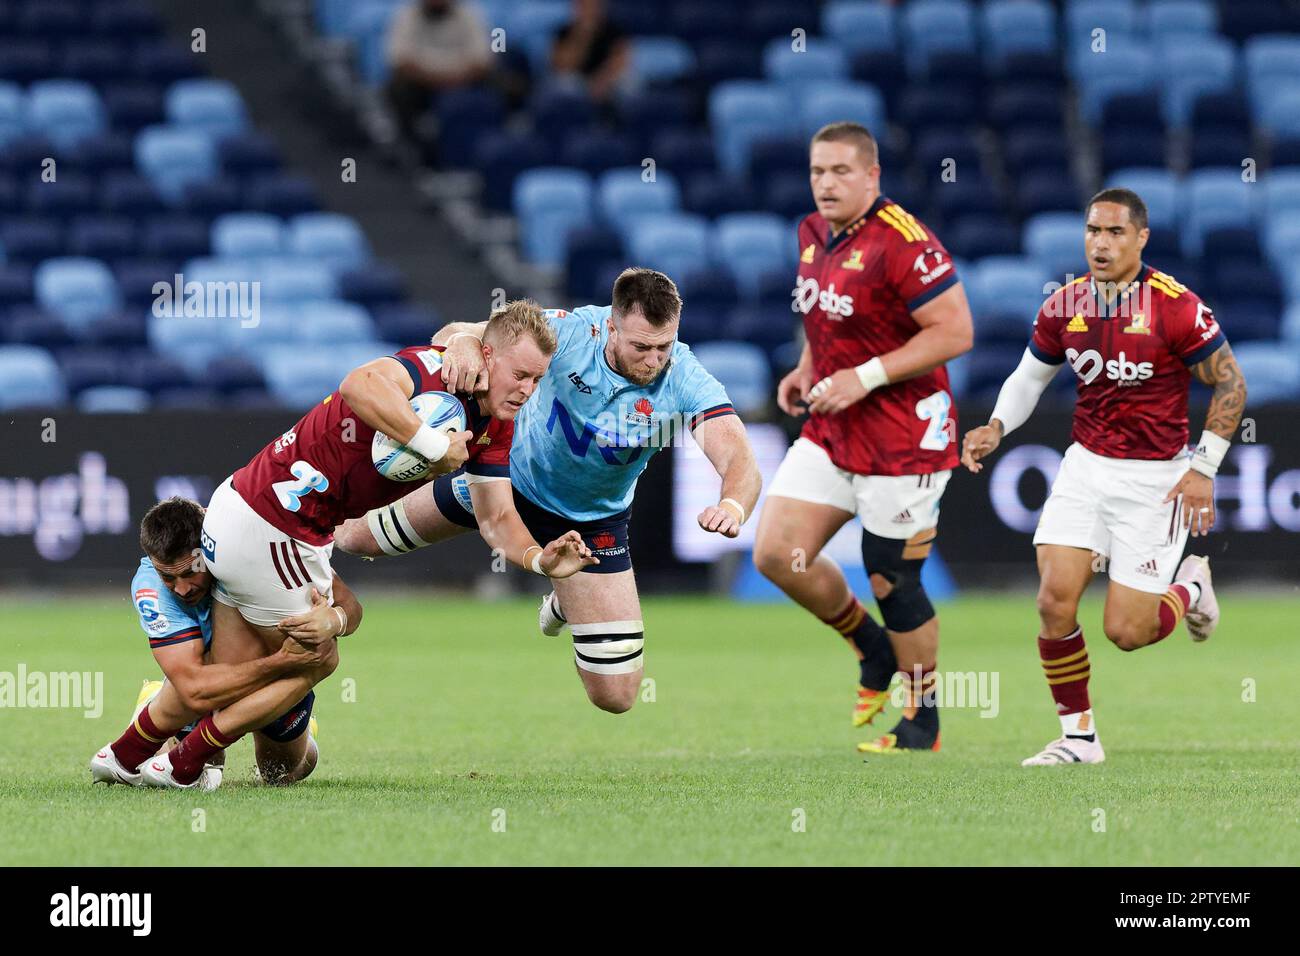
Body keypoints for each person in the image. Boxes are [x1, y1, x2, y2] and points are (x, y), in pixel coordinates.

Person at [143, 302, 594, 788]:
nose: (528, 390)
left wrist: (537, 558)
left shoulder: (495, 428)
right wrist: (433, 446)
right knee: (314, 656)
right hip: (276, 522)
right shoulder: (439, 369)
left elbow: (499, 517)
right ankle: (180, 755)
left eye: (537, 379)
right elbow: (358, 384)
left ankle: (154, 747)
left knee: (286, 765)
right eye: (520, 374)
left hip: (292, 529)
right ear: (486, 356)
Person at [335, 268, 762, 715]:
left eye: (663, 346)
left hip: (591, 523)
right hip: (502, 483)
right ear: (611, 328)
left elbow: (740, 459)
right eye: (640, 347)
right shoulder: (571, 331)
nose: (653, 360)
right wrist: (460, 342)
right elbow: (471, 335)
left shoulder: (687, 379)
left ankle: (568, 598)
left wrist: (732, 504)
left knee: (616, 697)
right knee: (353, 537)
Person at [960, 187, 1248, 766]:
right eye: (1093, 230)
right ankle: (1079, 738)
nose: (1101, 242)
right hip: (1086, 466)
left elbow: (1231, 383)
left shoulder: (1175, 306)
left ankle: (1190, 585)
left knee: (1127, 631)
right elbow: (1029, 378)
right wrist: (995, 424)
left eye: (1116, 232)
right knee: (1053, 601)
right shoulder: (1064, 305)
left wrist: (1202, 470)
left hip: (1156, 480)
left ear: (1142, 238)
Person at [752, 121, 974, 754]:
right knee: (775, 553)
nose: (826, 183)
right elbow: (824, 309)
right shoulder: (812, 232)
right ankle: (872, 647)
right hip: (834, 426)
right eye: (818, 171)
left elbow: (956, 332)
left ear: (872, 176)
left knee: (891, 579)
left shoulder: (904, 243)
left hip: (905, 439)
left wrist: (865, 376)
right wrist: (809, 365)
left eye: (841, 171)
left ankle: (922, 722)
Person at [89, 497, 355, 790]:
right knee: (189, 769)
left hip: (267, 678)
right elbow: (194, 689)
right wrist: (283, 661)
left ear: (210, 547)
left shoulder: (250, 547)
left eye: (190, 572)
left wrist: (334, 620)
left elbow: (352, 607)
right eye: (168, 576)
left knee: (283, 772)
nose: (181, 589)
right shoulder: (150, 589)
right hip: (210, 682)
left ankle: (300, 732)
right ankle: (158, 705)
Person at [385, 0, 491, 141]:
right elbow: (401, 62)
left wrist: (452, 80)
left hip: (463, 82)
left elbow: (482, 62)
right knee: (397, 88)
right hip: (421, 85)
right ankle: (409, 146)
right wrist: (440, 79)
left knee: (494, 84)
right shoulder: (406, 15)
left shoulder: (469, 14)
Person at [549, 0, 630, 103]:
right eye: (585, 6)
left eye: (593, 6)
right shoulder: (564, 32)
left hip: (605, 82)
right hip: (578, 83)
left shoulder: (615, 32)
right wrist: (583, 35)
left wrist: (601, 82)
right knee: (565, 82)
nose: (590, 10)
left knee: (627, 83)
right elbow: (562, 66)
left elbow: (620, 62)